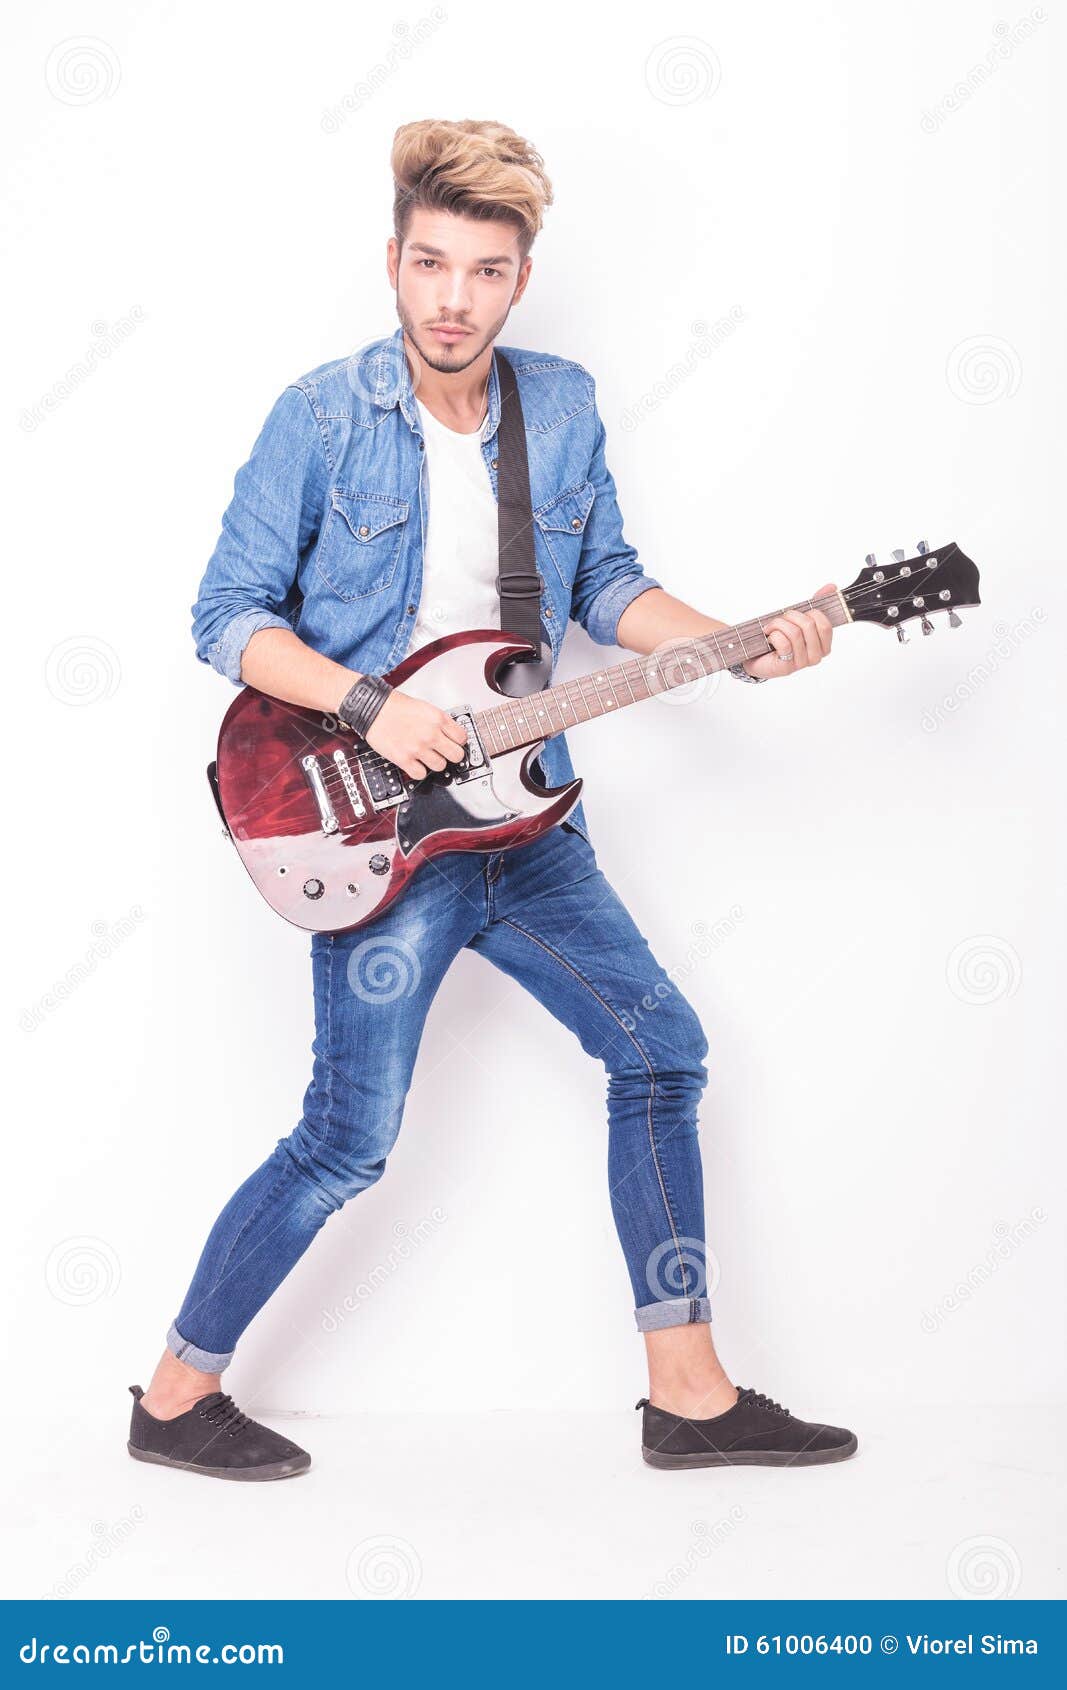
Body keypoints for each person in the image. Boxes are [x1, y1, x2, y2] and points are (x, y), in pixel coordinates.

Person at [127, 118, 856, 1481]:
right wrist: (370, 706)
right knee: (346, 1143)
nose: (453, 299)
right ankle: (172, 1395)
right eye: (429, 264)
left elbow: (605, 588)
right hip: (381, 833)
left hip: (532, 823)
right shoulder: (322, 415)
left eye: (485, 270)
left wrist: (743, 637)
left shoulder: (562, 406)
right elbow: (226, 616)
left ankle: (689, 1399)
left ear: (524, 278)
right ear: (392, 265)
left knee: (659, 1049)